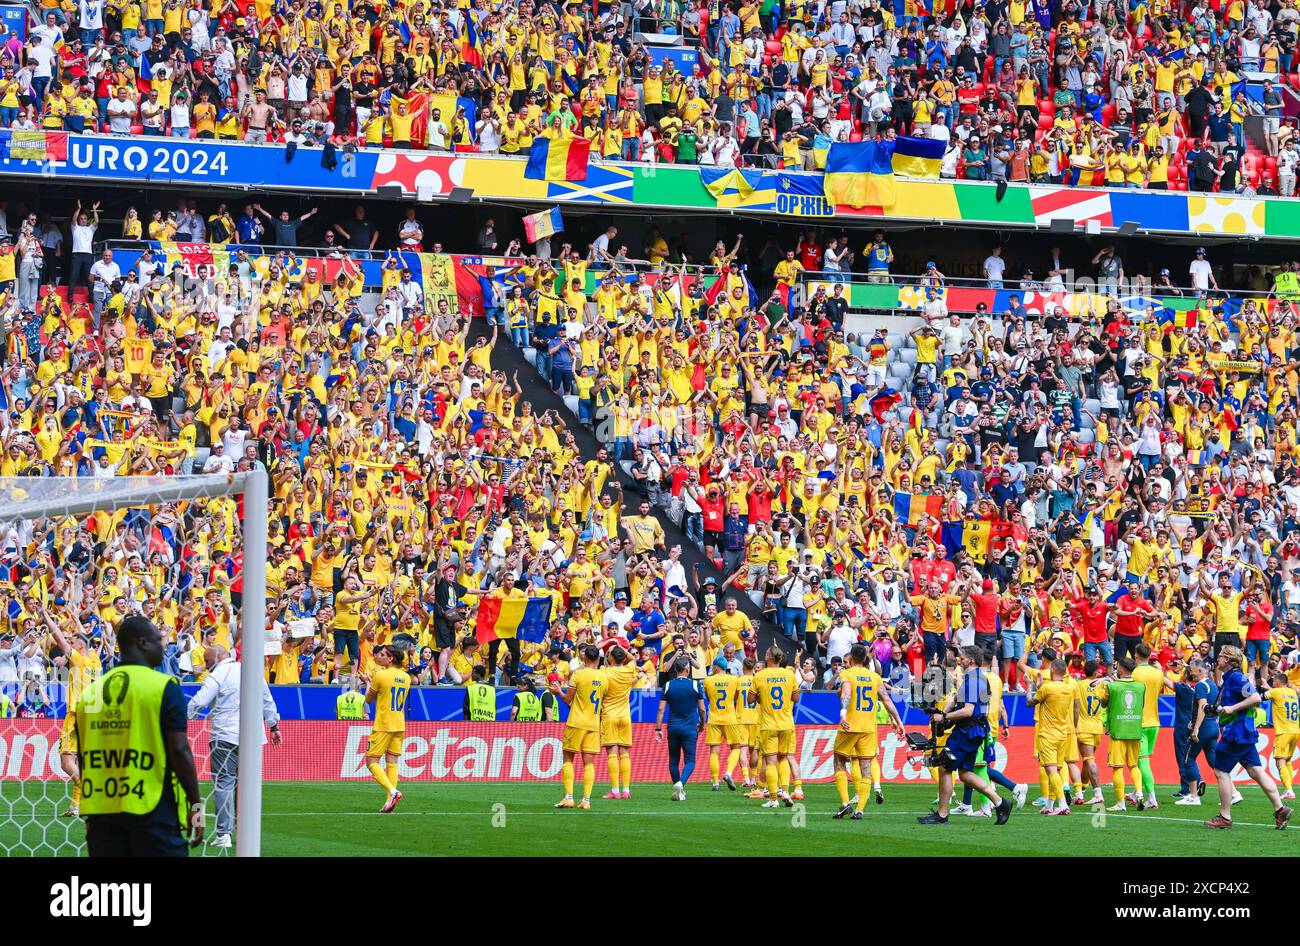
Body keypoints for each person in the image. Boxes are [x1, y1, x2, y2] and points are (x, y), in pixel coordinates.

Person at [75, 615, 204, 856]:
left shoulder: (89, 695)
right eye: (158, 640)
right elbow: (179, 751)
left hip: (102, 812)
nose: (162, 646)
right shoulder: (163, 686)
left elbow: (85, 758)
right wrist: (195, 804)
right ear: (142, 643)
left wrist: (90, 815)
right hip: (152, 808)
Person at [185, 644, 281, 850]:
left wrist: (180, 717)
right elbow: (268, 701)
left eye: (209, 661)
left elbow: (199, 701)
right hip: (253, 737)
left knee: (224, 784)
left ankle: (223, 833)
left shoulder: (219, 674)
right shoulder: (252, 672)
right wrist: (274, 726)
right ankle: (245, 830)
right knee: (246, 786)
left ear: (219, 657)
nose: (207, 666)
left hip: (225, 735)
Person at [917, 646, 1013, 826]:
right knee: (965, 773)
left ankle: (942, 814)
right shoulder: (975, 679)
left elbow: (968, 711)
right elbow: (956, 700)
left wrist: (944, 717)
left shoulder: (975, 681)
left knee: (945, 767)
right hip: (972, 731)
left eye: (961, 657)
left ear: (970, 660)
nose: (958, 659)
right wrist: (944, 713)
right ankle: (1001, 803)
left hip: (967, 731)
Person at [1205, 646, 1291, 830]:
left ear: (1227, 659)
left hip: (1236, 734)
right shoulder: (1231, 678)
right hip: (1243, 733)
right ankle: (1280, 810)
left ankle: (1225, 817)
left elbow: (1255, 698)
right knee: (1256, 771)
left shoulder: (1236, 677)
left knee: (1221, 771)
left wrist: (1232, 708)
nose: (1217, 659)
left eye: (1220, 656)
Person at [37, 603, 101, 819]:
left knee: (66, 762)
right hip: (94, 716)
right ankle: (76, 806)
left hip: (76, 716)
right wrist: (75, 618)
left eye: (74, 643)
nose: (69, 645)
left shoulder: (80, 660)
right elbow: (92, 644)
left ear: (81, 646)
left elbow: (58, 638)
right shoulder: (95, 661)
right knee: (81, 762)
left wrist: (46, 615)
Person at [832, 644, 904, 820]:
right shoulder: (875, 677)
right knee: (866, 768)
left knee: (839, 761)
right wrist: (898, 721)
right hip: (868, 728)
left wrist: (843, 712)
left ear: (851, 659)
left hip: (850, 725)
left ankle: (845, 803)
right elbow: (886, 700)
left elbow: (846, 694)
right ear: (865, 658)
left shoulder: (846, 674)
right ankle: (860, 809)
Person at [550, 643, 605, 810]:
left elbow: (567, 700)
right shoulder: (604, 677)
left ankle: (568, 798)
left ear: (584, 657)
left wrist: (558, 691)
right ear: (598, 658)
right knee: (589, 763)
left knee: (568, 758)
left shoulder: (578, 675)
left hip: (577, 721)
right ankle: (586, 800)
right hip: (594, 723)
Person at [750, 645, 802, 808]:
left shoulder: (760, 676)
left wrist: (760, 697)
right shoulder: (789, 675)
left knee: (770, 761)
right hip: (786, 723)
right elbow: (796, 698)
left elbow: (750, 700)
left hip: (768, 724)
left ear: (769, 657)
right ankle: (785, 791)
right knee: (783, 758)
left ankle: (773, 799)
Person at [1026, 657, 1076, 815]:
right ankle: (1050, 804)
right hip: (1063, 734)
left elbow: (1030, 702)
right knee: (1056, 769)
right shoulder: (1070, 689)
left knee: (1051, 770)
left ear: (1052, 670)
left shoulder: (1047, 688)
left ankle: (1062, 804)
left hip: (1047, 734)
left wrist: (1029, 686)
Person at [363, 643, 410, 813]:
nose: (378, 656)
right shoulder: (406, 677)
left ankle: (393, 791)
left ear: (391, 658)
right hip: (399, 723)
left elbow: (368, 699)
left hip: (383, 724)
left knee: (371, 761)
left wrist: (368, 682)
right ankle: (389, 802)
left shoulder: (380, 675)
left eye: (382, 654)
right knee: (392, 762)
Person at [1099, 656, 1147, 813]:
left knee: (1117, 767)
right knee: (1134, 765)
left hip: (1118, 731)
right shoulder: (1141, 687)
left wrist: (1102, 687)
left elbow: (1104, 702)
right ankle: (1139, 793)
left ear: (1121, 668)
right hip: (1135, 731)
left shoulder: (1113, 687)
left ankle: (1121, 803)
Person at [656, 655, 706, 801]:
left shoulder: (668, 685)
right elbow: (702, 709)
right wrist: (702, 723)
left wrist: (658, 729)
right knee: (690, 761)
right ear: (687, 669)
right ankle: (681, 784)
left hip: (673, 728)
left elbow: (660, 709)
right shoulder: (696, 685)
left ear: (675, 669)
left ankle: (678, 790)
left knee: (673, 760)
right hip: (690, 728)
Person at [1131, 642, 1173, 810]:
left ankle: (1152, 798)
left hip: (1138, 722)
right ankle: (1136, 792)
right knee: (1141, 759)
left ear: (1136, 655)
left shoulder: (1134, 674)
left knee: (1142, 762)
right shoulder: (1158, 674)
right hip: (1154, 722)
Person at [600, 645, 639, 799]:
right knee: (625, 754)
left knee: (612, 754)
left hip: (610, 714)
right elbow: (633, 658)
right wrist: (621, 647)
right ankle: (626, 790)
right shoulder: (629, 669)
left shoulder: (605, 672)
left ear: (610, 658)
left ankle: (615, 790)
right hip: (625, 716)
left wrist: (613, 648)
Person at [702, 656, 742, 792]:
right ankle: (729, 773)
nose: (712, 669)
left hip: (714, 718)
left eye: (713, 666)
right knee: (736, 748)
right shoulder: (734, 680)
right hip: (730, 718)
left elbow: (708, 697)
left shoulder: (708, 681)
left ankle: (715, 782)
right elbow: (735, 698)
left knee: (714, 751)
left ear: (717, 667)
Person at [1263, 672, 1299, 801]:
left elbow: (1260, 697)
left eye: (1273, 681)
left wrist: (1265, 687)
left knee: (1280, 760)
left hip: (1283, 732)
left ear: (1278, 682)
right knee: (1287, 760)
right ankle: (1289, 789)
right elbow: (1276, 694)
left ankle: (1289, 790)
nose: (1273, 683)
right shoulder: (1292, 692)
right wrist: (1269, 687)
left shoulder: (1275, 692)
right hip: (1295, 730)